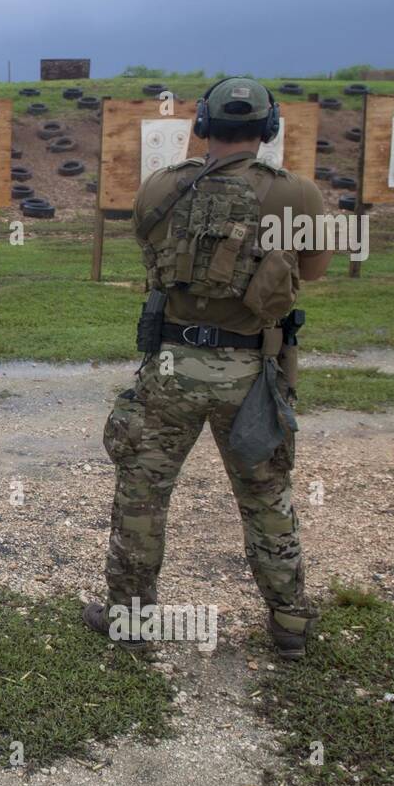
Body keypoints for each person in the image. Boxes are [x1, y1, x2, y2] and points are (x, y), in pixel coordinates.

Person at [84, 77, 334, 659]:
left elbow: (149, 251)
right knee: (266, 498)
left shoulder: (161, 187)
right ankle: (290, 625)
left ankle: (130, 619)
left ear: (202, 124)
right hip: (252, 372)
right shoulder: (296, 193)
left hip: (171, 367)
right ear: (268, 128)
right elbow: (315, 271)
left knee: (143, 494)